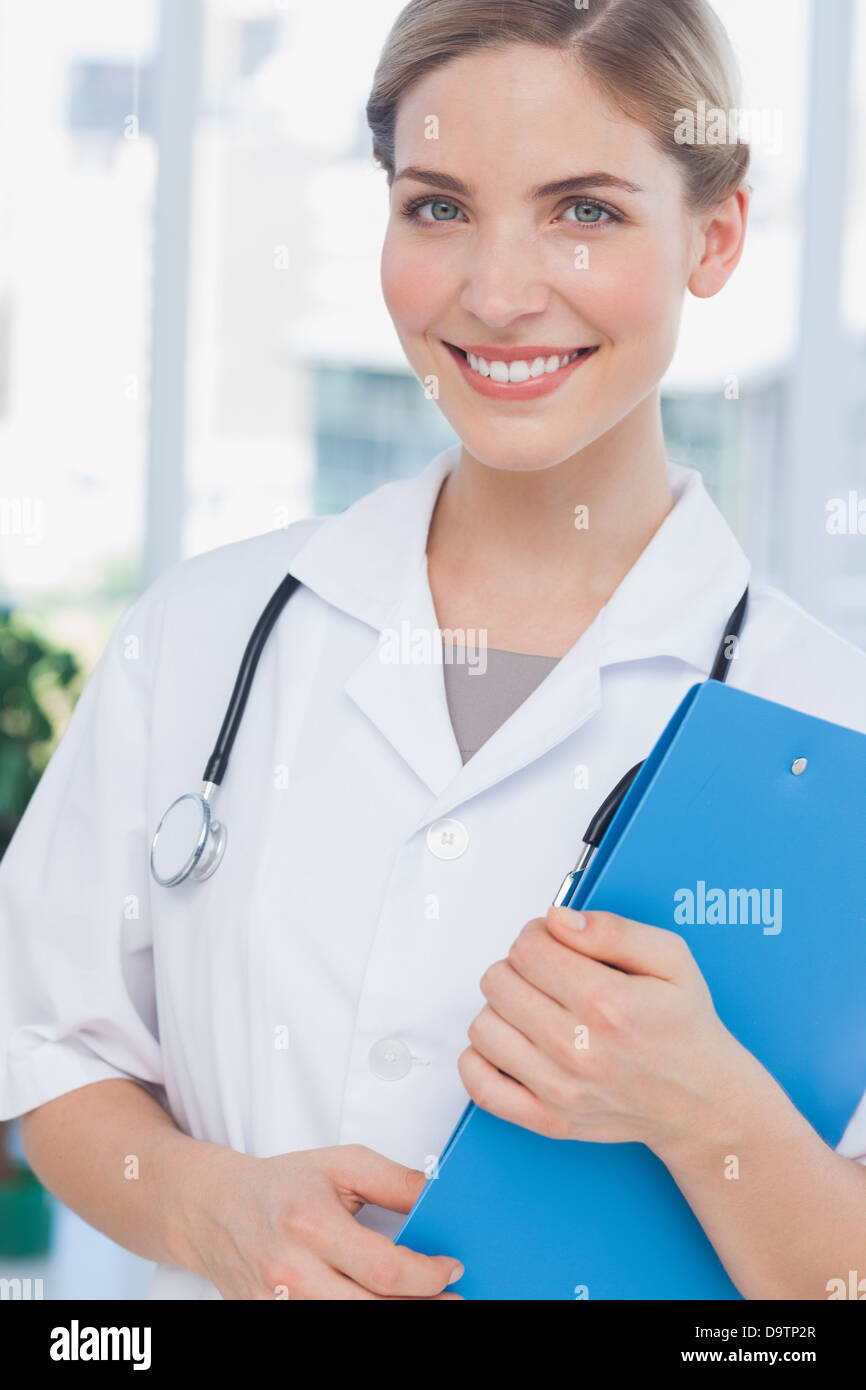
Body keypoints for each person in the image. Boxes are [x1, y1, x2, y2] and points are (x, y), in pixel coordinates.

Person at [2, 0, 865, 1301]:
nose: (498, 292)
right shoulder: (208, 632)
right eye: (439, 206)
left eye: (584, 209)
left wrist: (712, 1113)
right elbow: (47, 1045)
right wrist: (205, 1208)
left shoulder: (829, 723)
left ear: (715, 232)